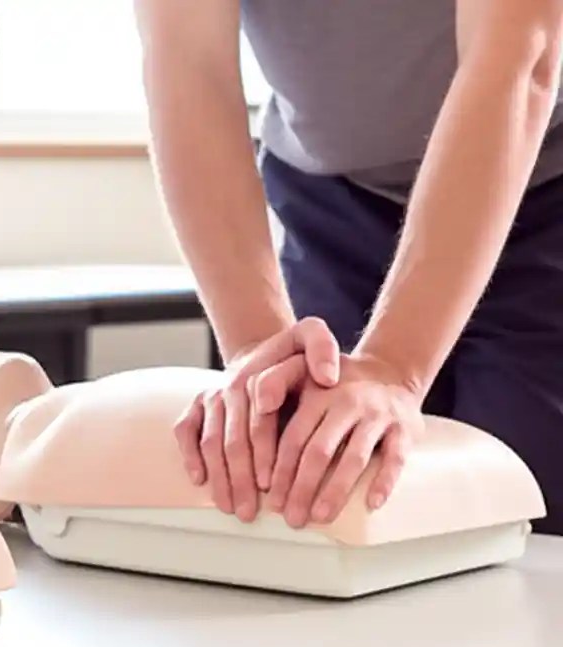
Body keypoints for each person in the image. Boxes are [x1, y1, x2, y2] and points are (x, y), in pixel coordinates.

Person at [135, 2, 563, 535]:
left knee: (528, 509)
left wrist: (395, 365)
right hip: (330, 202)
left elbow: (519, 57)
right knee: (314, 493)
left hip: (542, 191)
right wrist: (259, 363)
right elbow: (186, 61)